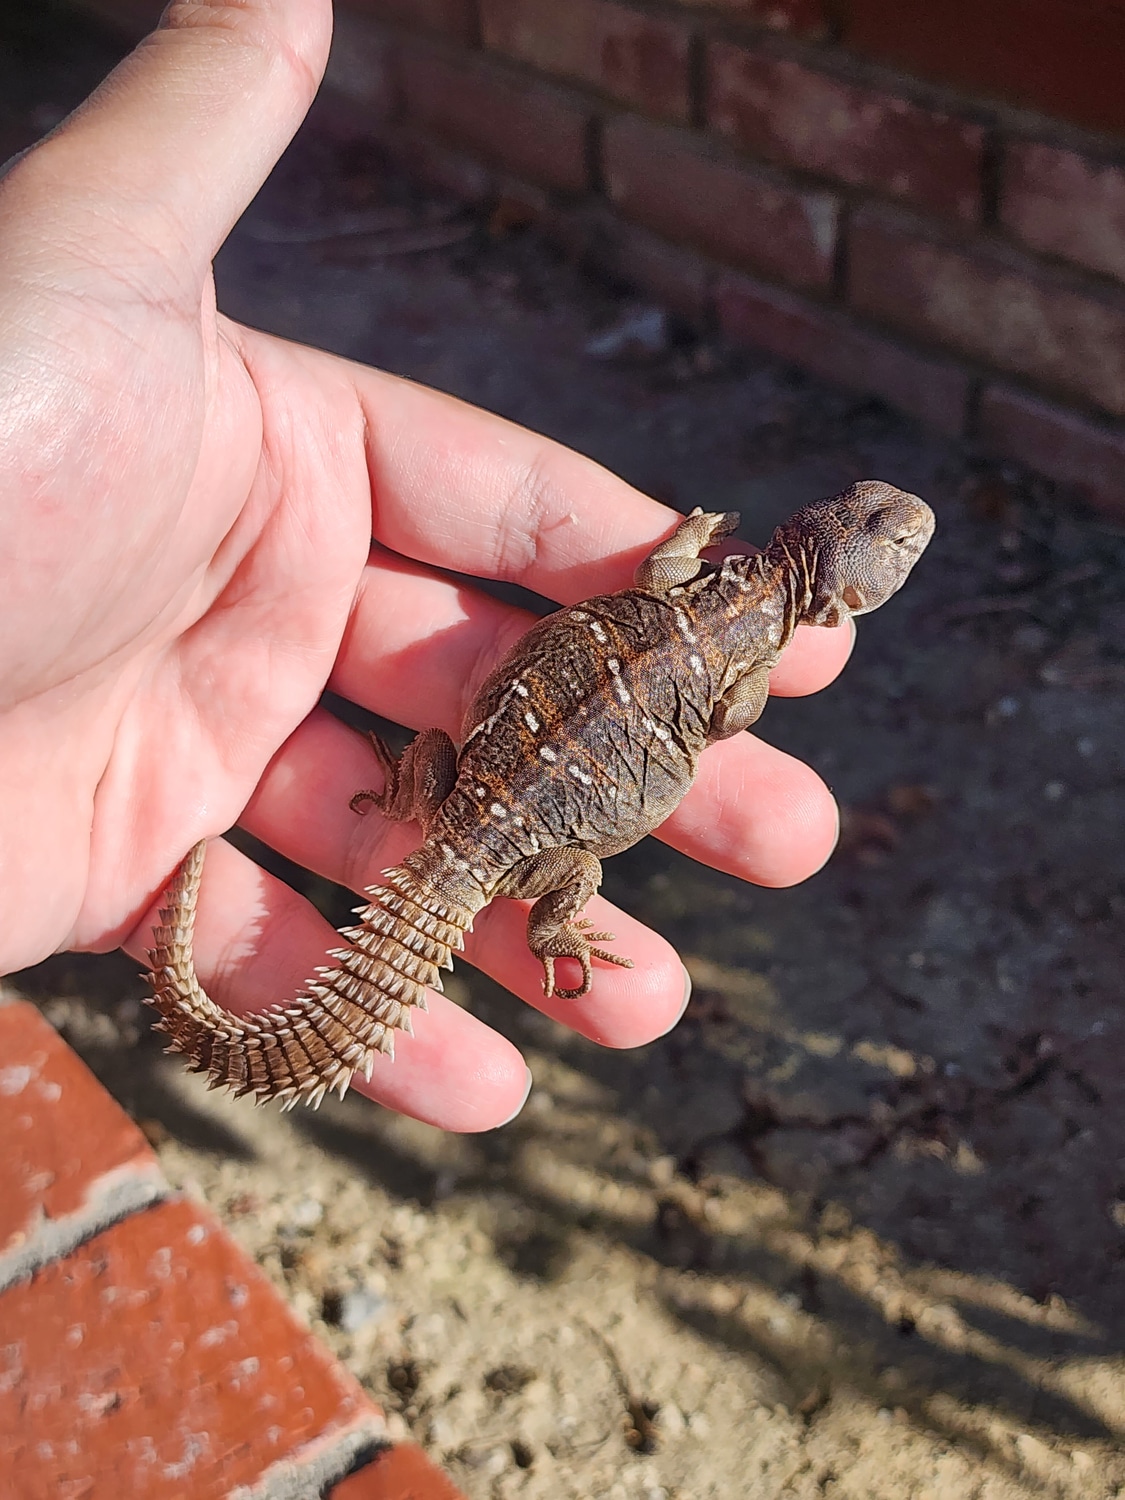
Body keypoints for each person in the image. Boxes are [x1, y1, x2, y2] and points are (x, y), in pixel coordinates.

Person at [0, 0, 851, 1131]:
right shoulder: (746, 665)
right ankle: (551, 922)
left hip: (470, 790)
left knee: (524, 832)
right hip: (506, 835)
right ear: (831, 585)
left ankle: (447, 826)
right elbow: (732, 715)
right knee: (572, 879)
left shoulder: (695, 579)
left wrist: (692, 537)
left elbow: (673, 579)